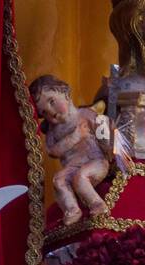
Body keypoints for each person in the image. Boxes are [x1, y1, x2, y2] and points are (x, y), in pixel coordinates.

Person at [30, 75, 111, 226]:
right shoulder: (53, 133)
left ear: (66, 93)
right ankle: (72, 209)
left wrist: (105, 131)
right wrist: (75, 136)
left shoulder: (86, 115)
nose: (50, 112)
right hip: (72, 167)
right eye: (44, 112)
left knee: (80, 177)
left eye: (52, 102)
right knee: (59, 180)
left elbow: (104, 135)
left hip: (96, 161)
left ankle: (97, 204)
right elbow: (53, 151)